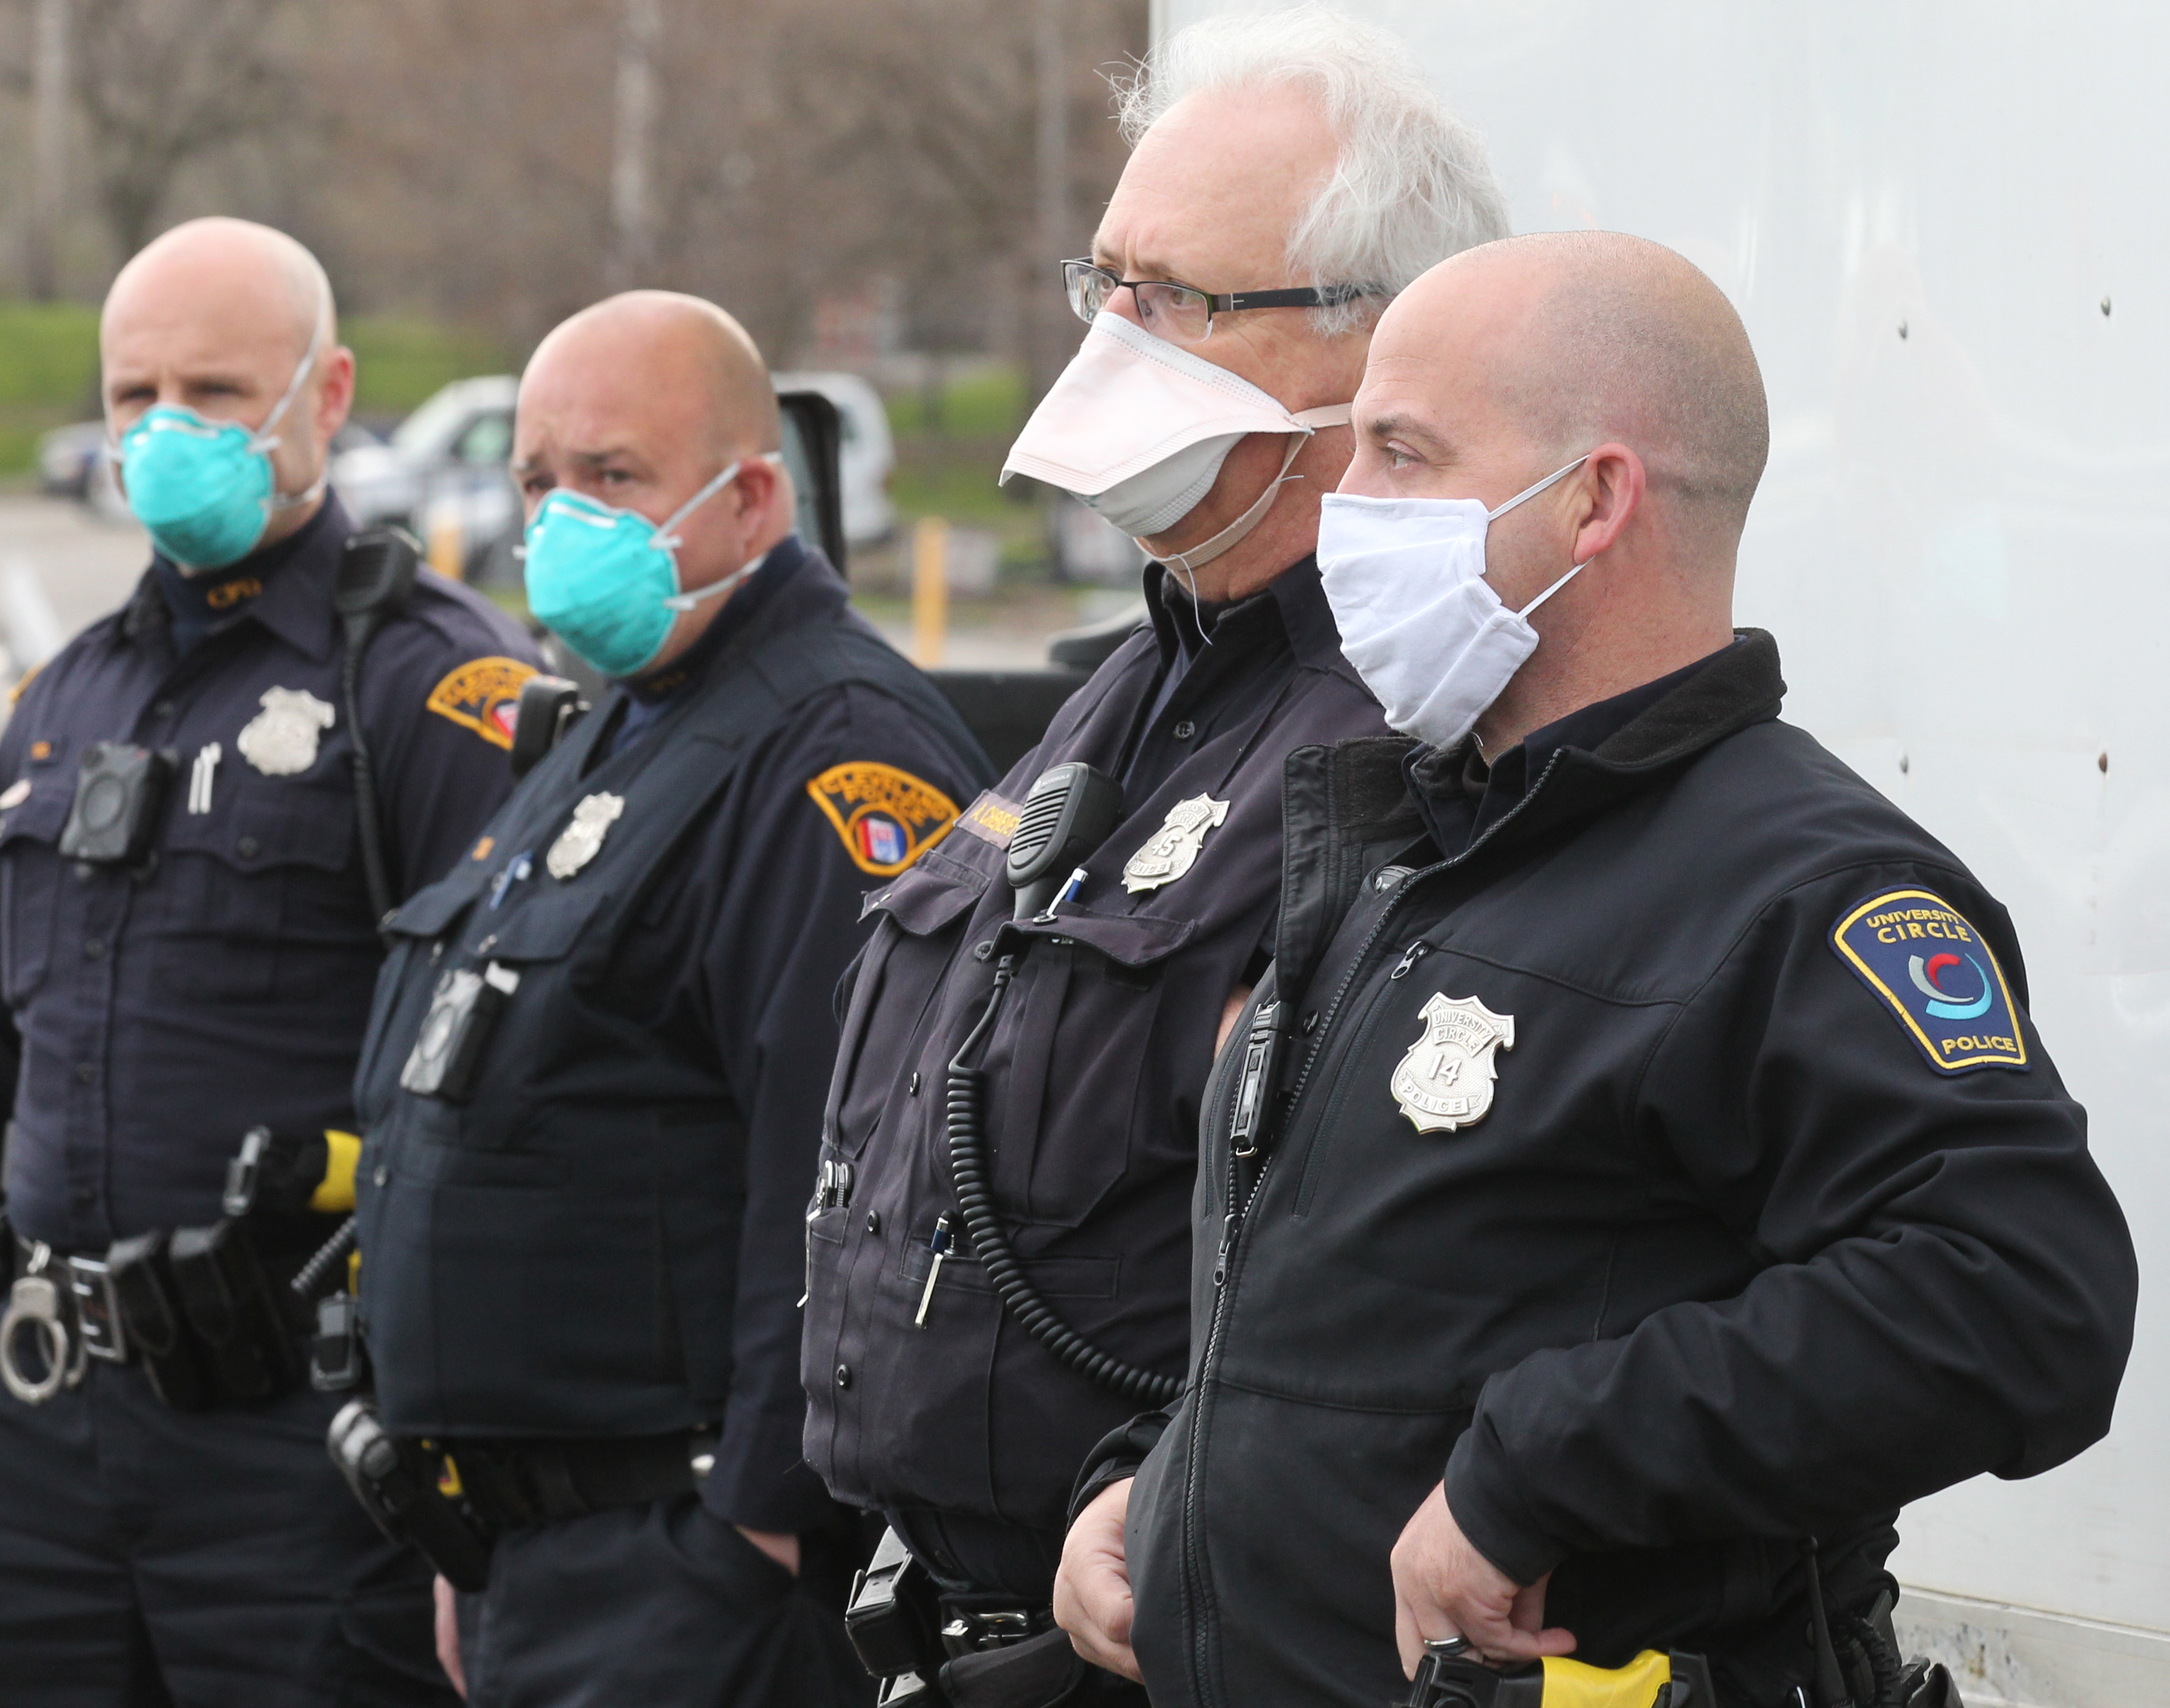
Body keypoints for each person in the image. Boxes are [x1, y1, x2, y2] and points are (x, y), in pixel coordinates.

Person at [1053, 231, 2140, 1708]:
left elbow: (2020, 1298)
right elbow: (1370, 1292)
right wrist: (1161, 1481)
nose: (1347, 503)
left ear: (1593, 501)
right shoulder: (1420, 843)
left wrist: (1540, 1471)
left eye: (1401, 450)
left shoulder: (1804, 887)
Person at [799, 10, 1507, 1700]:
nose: (1113, 336)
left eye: (1174, 297)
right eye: (1100, 281)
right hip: (945, 1622)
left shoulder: (1423, 734)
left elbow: (1422, 1264)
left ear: (1374, 343)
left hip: (1175, 1636)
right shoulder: (1146, 678)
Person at [348, 290, 992, 1707]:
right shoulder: (623, 725)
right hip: (544, 1553)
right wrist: (482, 1547)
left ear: (753, 495)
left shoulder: (829, 752)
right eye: (538, 483)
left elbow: (843, 1173)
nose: (562, 518)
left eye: (614, 477)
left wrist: (754, 1536)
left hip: (691, 1565)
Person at [0, 217, 542, 1704]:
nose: (168, 431)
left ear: (328, 392)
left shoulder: (436, 692)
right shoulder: (60, 698)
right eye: (134, 398)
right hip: (44, 1435)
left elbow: (530, 1102)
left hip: (296, 1446)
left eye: (219, 393)